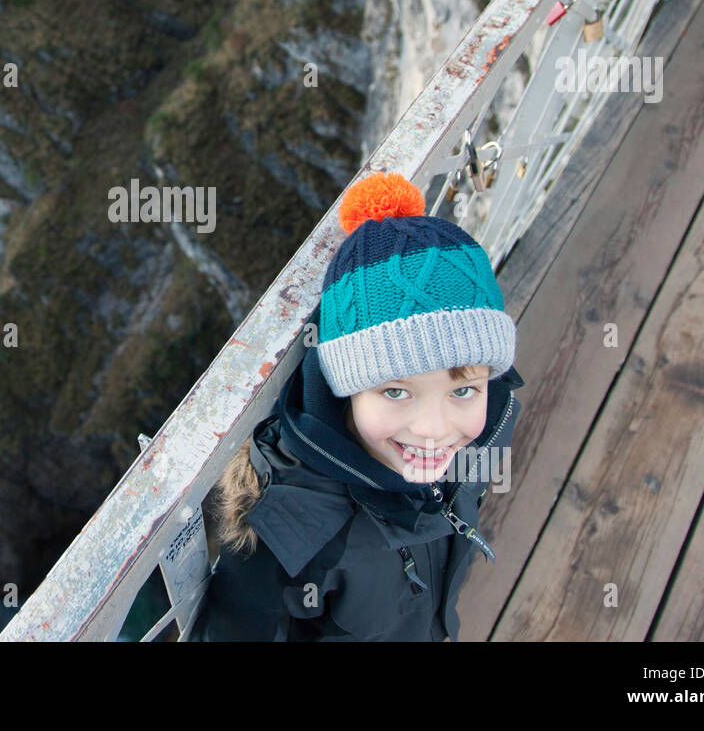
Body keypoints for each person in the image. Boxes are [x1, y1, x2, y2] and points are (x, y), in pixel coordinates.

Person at [190, 170, 525, 641]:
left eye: (463, 390)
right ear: (347, 387)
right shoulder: (292, 531)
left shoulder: (492, 419)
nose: (433, 429)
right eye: (395, 391)